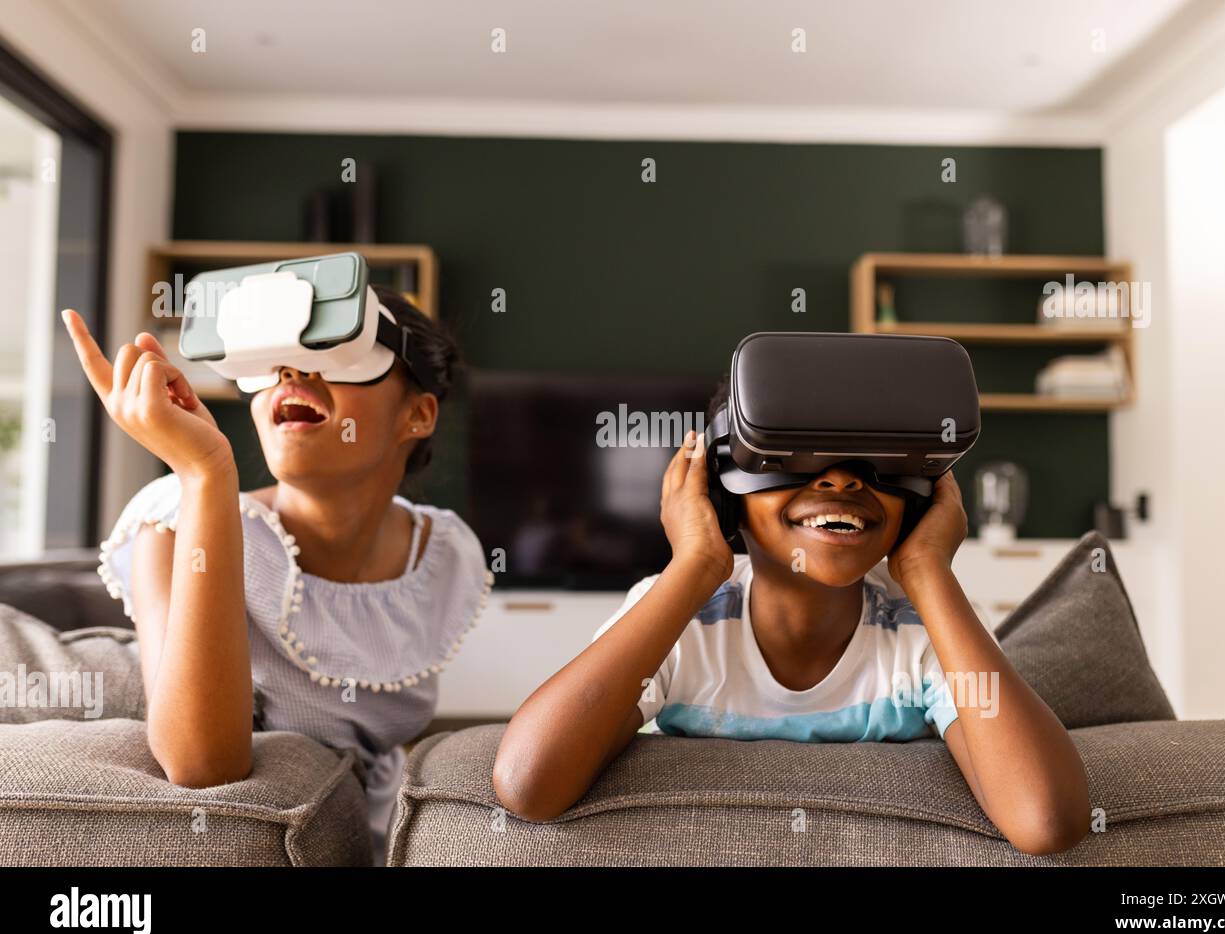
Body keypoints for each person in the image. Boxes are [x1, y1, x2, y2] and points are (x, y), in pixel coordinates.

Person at [493, 382, 1090, 856]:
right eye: (795, 452)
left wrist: (930, 570)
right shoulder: (680, 620)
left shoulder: (926, 628)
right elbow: (529, 784)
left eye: (878, 458)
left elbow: (1046, 821)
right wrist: (695, 565)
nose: (841, 477)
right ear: (721, 489)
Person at [63, 289, 491, 864]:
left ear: (417, 414)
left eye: (339, 350)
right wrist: (206, 471)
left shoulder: (442, 552)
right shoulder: (176, 514)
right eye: (277, 359)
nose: (293, 370)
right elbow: (203, 765)